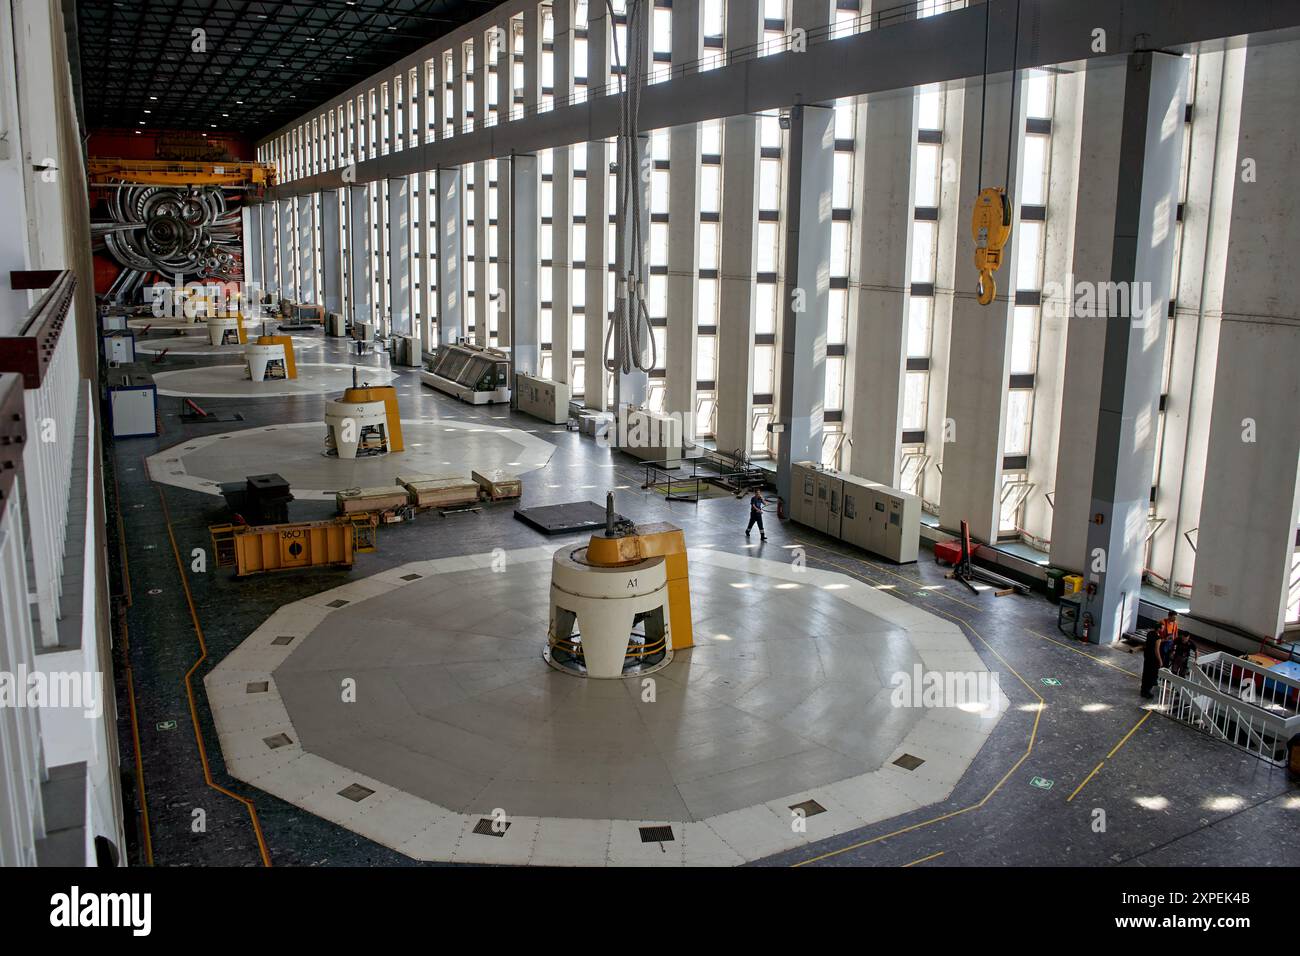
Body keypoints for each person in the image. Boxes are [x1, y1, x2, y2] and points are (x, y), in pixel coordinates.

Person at [1140, 627, 1164, 699]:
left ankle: (1143, 690)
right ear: (1159, 629)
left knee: (1145, 673)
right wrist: (1160, 660)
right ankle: (1147, 692)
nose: (1163, 629)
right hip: (1153, 659)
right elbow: (1156, 651)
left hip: (1147, 656)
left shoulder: (1149, 633)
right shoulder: (1158, 638)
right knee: (1151, 674)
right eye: (1162, 628)